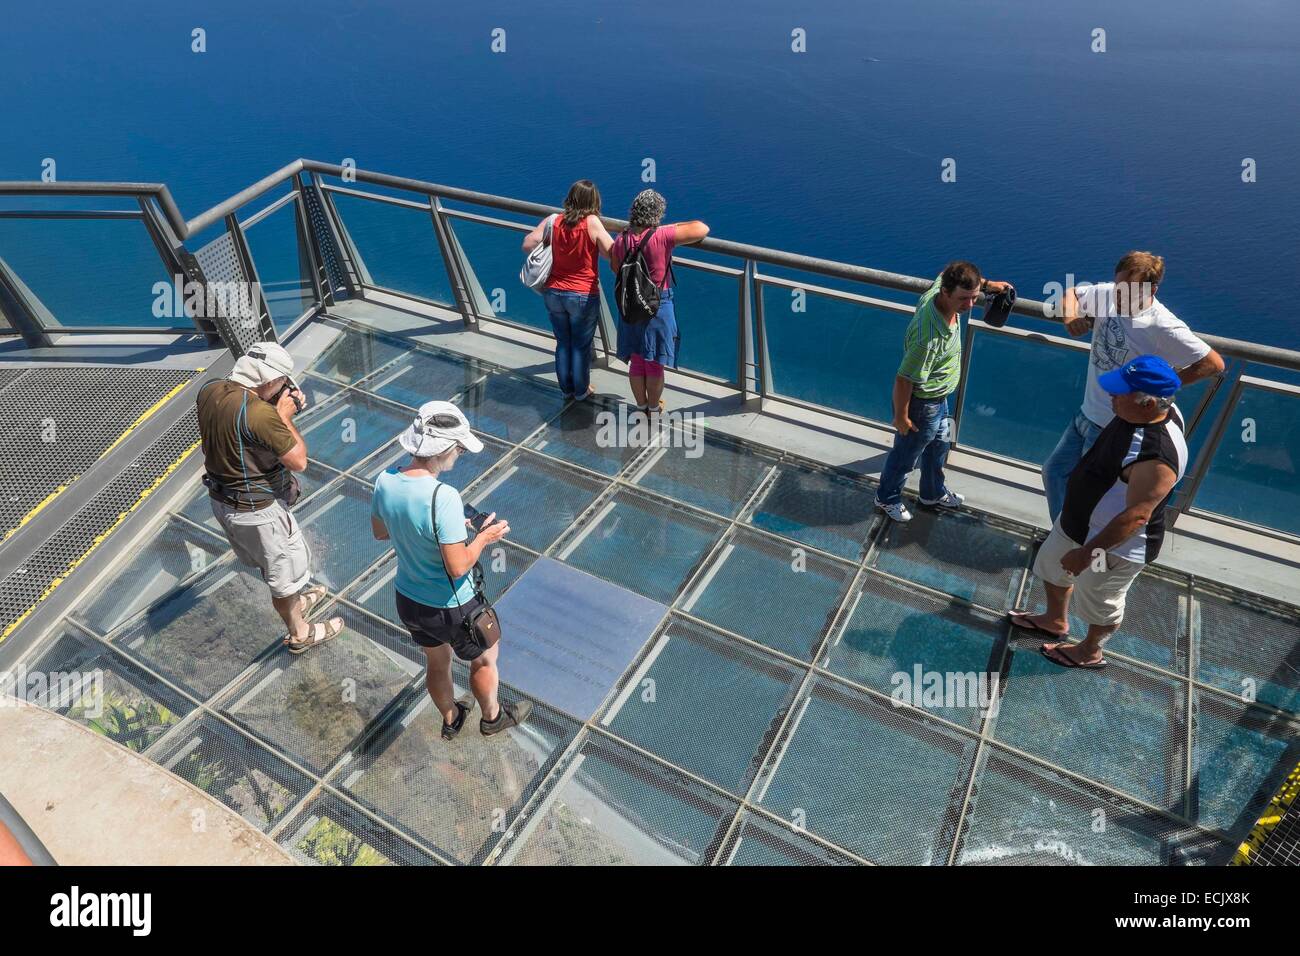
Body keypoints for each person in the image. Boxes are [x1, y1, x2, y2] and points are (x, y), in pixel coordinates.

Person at [1012, 355, 1188, 669]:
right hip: (1078, 521)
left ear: (1147, 404)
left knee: (1099, 601)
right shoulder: (1152, 412)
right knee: (1051, 566)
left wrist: (1086, 554)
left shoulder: (1155, 457)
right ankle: (1055, 620)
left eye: (1120, 392)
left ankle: (1090, 651)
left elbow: (1136, 517)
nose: (1111, 395)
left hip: (1112, 546)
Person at [370, 401, 530, 739]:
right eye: (458, 447)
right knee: (485, 660)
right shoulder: (443, 496)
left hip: (410, 600)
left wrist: (434, 529)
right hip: (454, 606)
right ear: (443, 449)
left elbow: (381, 532)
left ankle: (451, 716)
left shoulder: (385, 480)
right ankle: (492, 716)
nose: (459, 453)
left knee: (437, 662)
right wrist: (485, 536)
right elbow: (458, 567)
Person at [1042, 251, 1223, 522]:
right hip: (1087, 412)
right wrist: (1070, 317)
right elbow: (1074, 293)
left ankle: (1074, 546)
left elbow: (1213, 364)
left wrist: (1158, 389)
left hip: (1116, 426)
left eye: (1127, 291)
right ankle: (1061, 534)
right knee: (1053, 472)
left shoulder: (1162, 325)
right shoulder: (1109, 295)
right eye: (1117, 287)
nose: (1118, 296)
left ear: (1152, 290)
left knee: (1088, 493)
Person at [196, 342, 341, 652]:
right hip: (256, 511)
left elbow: (241, 439)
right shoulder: (260, 415)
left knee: (284, 568)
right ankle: (299, 631)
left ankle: (296, 602)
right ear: (269, 381)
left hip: (224, 499)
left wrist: (272, 411)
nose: (286, 387)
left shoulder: (211, 391)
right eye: (282, 381)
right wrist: (284, 417)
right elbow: (298, 460)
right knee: (282, 575)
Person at [874, 262, 1014, 522]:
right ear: (946, 293)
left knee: (938, 448)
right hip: (922, 404)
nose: (970, 306)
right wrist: (902, 418)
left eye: (974, 298)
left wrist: (988, 285)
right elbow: (904, 379)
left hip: (940, 400)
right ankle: (886, 497)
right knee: (906, 455)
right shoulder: (928, 336)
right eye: (964, 299)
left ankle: (932, 492)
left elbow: (945, 272)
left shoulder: (940, 289)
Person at [608, 189, 709, 416]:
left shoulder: (621, 238)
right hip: (658, 305)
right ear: (658, 214)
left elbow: (615, 267)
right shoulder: (662, 236)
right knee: (653, 362)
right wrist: (667, 226)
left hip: (629, 305)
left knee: (636, 360)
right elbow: (702, 228)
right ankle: (653, 408)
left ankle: (641, 405)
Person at [523, 180, 615, 402]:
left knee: (563, 342)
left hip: (553, 291)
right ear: (593, 201)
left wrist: (551, 245)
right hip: (582, 294)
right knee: (581, 345)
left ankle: (566, 390)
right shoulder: (592, 222)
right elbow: (611, 251)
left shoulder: (554, 220)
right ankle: (581, 390)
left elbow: (527, 244)